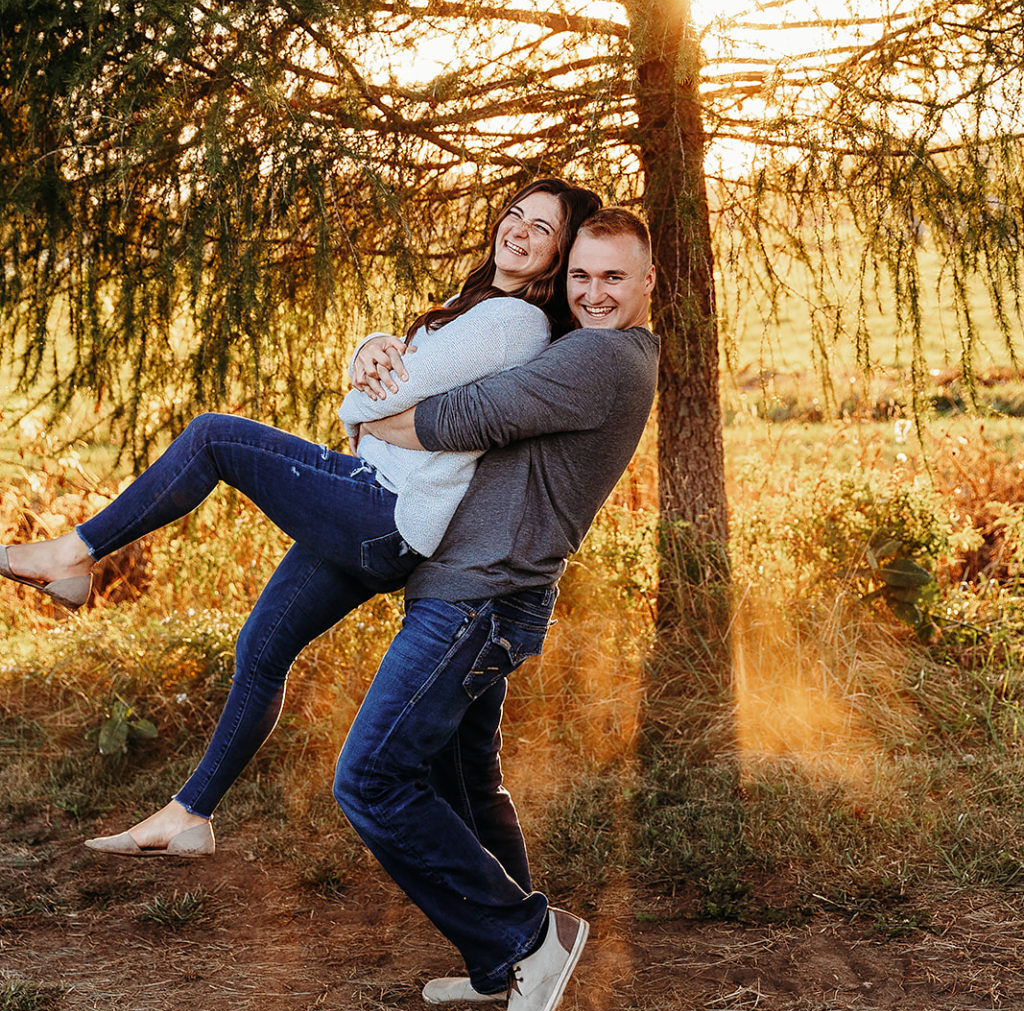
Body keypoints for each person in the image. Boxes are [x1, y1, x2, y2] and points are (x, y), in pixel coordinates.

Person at [0, 178, 601, 855]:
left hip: (381, 505)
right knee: (263, 648)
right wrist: (371, 347)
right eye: (514, 214)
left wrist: (364, 400)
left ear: (557, 258)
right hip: (379, 517)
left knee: (213, 437)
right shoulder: (482, 311)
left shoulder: (515, 322)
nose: (517, 230)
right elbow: (392, 370)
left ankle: (73, 554)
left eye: (541, 229)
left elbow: (374, 402)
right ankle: (190, 814)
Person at [331, 208, 659, 1011]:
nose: (593, 293)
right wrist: (380, 349)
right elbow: (460, 364)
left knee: (369, 778)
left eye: (614, 277)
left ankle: (526, 939)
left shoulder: (600, 357)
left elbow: (465, 414)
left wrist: (377, 412)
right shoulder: (591, 346)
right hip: (484, 587)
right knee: (466, 784)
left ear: (648, 282)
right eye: (580, 276)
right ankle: (495, 963)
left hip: (477, 599)